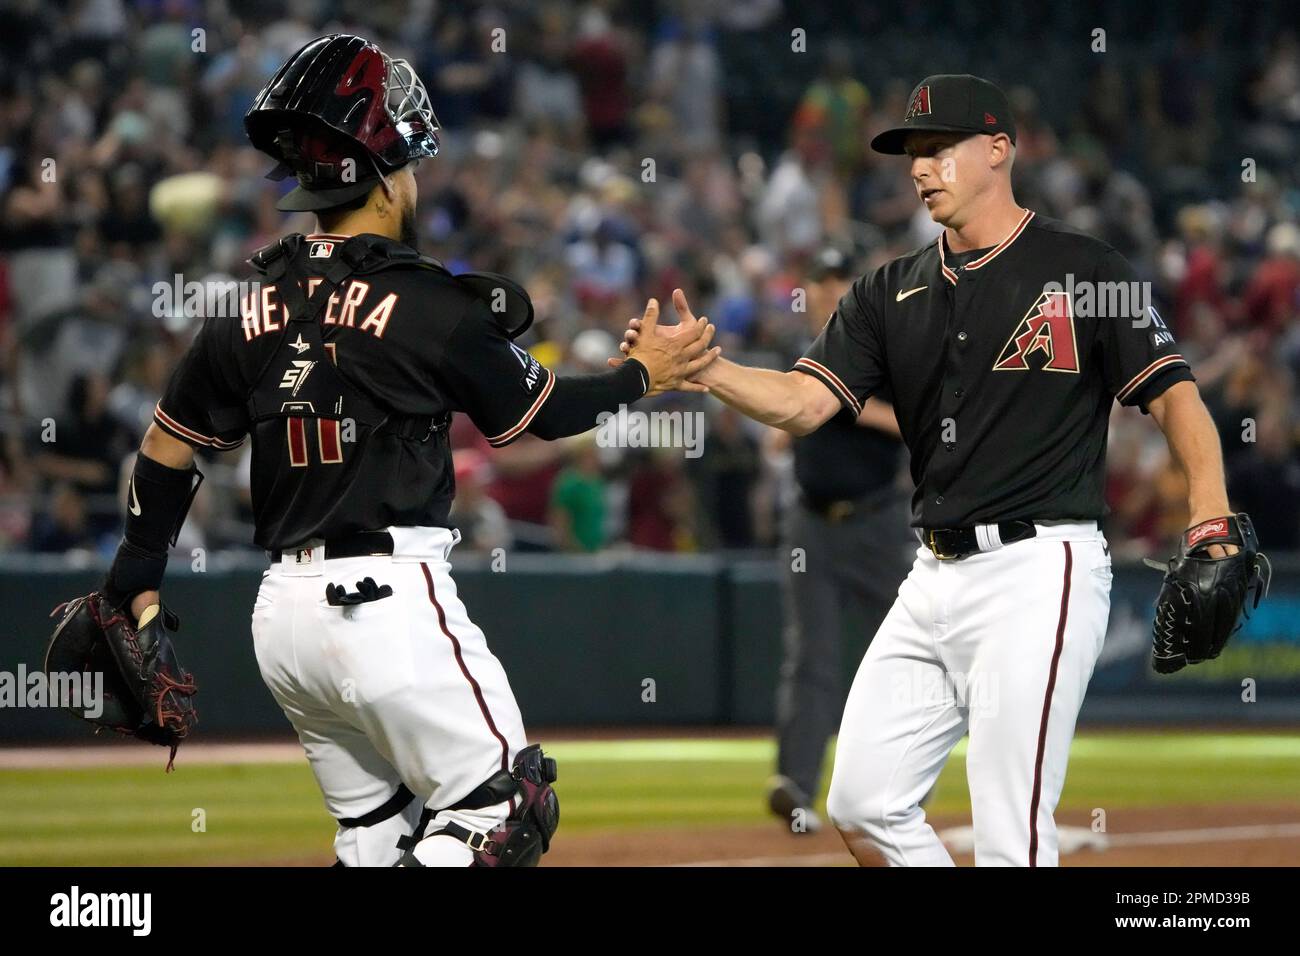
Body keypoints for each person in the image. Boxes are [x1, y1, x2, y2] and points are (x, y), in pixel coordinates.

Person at [95, 35, 717, 867]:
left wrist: (134, 575)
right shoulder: (428, 303)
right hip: (384, 599)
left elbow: (168, 443)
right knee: (503, 809)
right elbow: (540, 414)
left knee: (376, 836)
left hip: (281, 621)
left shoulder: (247, 306)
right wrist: (644, 374)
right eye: (411, 168)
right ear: (386, 176)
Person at [618, 74, 1240, 866]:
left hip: (1038, 570)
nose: (919, 167)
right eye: (912, 151)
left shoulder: (1085, 269)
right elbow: (804, 403)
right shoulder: (887, 291)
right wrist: (708, 371)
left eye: (938, 148)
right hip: (932, 574)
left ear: (996, 150)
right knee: (864, 804)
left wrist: (1210, 518)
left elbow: (1177, 398)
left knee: (1010, 829)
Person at [766, 248, 912, 834]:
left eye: (837, 282)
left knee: (907, 656)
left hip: (879, 521)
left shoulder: (889, 353)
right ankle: (796, 787)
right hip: (810, 523)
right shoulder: (797, 355)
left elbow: (915, 426)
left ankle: (898, 785)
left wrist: (842, 402)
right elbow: (777, 430)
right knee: (812, 658)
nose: (827, 292)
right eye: (819, 283)